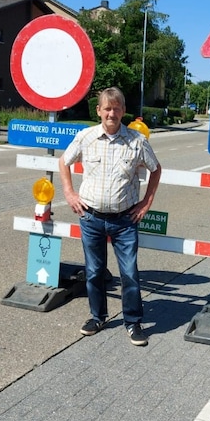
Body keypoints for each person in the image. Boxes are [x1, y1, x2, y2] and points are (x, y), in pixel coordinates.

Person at [58, 87, 162, 346]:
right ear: (99, 111)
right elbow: (64, 161)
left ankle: (133, 322)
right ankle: (98, 316)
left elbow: (156, 169)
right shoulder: (86, 137)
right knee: (93, 272)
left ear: (123, 111)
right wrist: (69, 193)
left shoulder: (137, 141)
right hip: (91, 217)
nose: (111, 113)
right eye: (107, 108)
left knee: (129, 273)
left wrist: (146, 202)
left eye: (116, 109)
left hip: (125, 220)